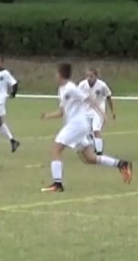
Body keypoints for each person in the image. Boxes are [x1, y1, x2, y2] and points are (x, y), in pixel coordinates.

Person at [39, 62, 132, 193]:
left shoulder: (71, 87)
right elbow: (62, 112)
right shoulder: (61, 90)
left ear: (60, 74)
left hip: (76, 125)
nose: (55, 76)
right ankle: (122, 164)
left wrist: (102, 114)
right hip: (77, 126)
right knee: (89, 158)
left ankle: (57, 184)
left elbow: (89, 99)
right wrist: (48, 116)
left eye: (56, 74)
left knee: (56, 150)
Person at [77, 67, 115, 154]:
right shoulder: (82, 85)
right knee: (85, 130)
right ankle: (93, 144)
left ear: (96, 76)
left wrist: (112, 111)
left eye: (91, 76)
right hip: (85, 109)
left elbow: (108, 97)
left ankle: (99, 151)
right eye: (87, 76)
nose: (88, 78)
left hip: (98, 110)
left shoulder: (102, 85)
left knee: (96, 129)